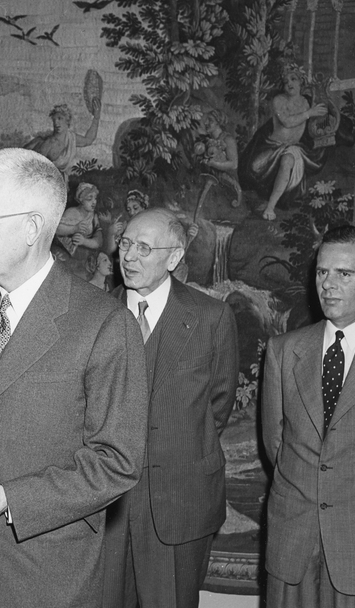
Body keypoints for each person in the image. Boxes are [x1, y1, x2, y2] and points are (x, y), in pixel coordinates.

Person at [0, 148, 149, 608]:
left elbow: (116, 462)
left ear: (31, 227)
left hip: (39, 579)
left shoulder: (104, 325)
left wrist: (12, 499)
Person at [103, 208, 239, 608]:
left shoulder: (212, 318)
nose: (128, 257)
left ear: (175, 257)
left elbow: (217, 407)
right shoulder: (95, 315)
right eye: (125, 243)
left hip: (180, 506)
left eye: (144, 248)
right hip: (105, 506)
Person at [262, 224, 355, 607]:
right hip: (292, 540)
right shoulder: (283, 350)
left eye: (344, 274)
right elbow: (275, 443)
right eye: (322, 272)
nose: (329, 285)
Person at [240, 64, 328, 221]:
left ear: (301, 82)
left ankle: (270, 208)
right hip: (272, 145)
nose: (289, 84)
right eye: (286, 81)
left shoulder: (308, 102)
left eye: (293, 79)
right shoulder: (278, 100)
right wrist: (309, 113)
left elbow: (322, 102)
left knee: (287, 160)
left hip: (293, 148)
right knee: (254, 166)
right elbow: (287, 122)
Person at [25, 102, 100, 180]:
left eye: (60, 118)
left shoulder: (70, 138)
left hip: (60, 180)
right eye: (54, 120)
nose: (56, 122)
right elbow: (34, 167)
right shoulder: (49, 142)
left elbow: (88, 140)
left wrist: (96, 118)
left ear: (67, 120)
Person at [55, 181, 103, 259]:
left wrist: (84, 241)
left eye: (95, 198)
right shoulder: (71, 212)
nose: (94, 202)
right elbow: (56, 230)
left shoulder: (93, 216)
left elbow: (99, 242)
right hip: (65, 253)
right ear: (81, 200)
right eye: (89, 199)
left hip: (85, 255)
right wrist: (74, 229)